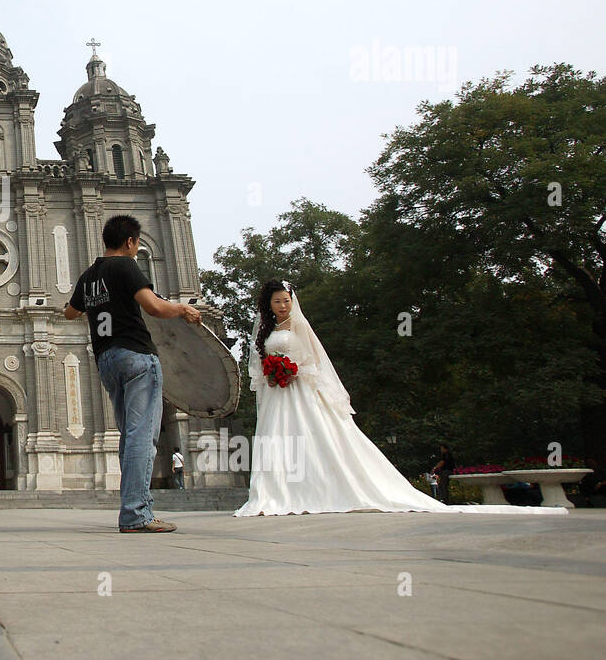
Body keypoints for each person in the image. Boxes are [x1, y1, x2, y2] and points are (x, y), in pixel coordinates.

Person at [235, 280, 566, 517]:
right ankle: (283, 491)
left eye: (287, 300)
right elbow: (257, 364)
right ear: (269, 304)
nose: (284, 305)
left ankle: (322, 488)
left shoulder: (301, 327)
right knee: (281, 441)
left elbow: (314, 361)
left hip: (301, 388)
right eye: (278, 301)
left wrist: (293, 371)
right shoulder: (263, 330)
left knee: (317, 438)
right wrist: (271, 372)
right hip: (278, 393)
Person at [64, 214, 202, 533]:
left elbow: (70, 312)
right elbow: (153, 307)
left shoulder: (89, 276)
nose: (137, 248)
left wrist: (98, 304)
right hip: (136, 355)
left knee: (129, 436)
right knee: (142, 435)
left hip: (106, 359)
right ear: (130, 242)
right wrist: (182, 308)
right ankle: (136, 513)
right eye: (137, 243)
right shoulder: (126, 266)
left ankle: (133, 507)